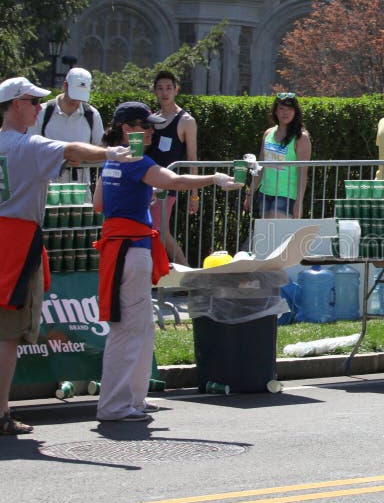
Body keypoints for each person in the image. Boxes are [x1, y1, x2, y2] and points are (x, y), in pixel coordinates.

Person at [0, 77, 139, 435]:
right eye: (33, 101)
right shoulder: (27, 144)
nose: (38, 108)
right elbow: (72, 150)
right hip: (15, 241)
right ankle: (0, 413)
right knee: (8, 334)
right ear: (16, 104)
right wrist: (109, 152)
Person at [92, 101, 240, 422]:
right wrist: (213, 178)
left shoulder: (112, 161)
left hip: (123, 249)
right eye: (145, 126)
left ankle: (134, 399)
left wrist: (140, 196)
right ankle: (115, 406)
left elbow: (99, 204)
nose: (150, 132)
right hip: (132, 250)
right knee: (128, 330)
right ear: (127, 128)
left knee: (140, 328)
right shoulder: (135, 161)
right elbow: (172, 181)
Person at [146, 71, 199, 265]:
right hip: (146, 185)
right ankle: (171, 276)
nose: (164, 93)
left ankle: (185, 275)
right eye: (160, 88)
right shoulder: (150, 118)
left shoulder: (186, 121)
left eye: (168, 88)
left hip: (167, 187)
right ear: (154, 91)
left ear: (176, 90)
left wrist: (194, 195)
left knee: (159, 231)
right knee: (153, 230)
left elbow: (192, 159)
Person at [28, 67, 105, 183]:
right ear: (65, 86)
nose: (76, 100)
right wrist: (58, 157)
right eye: (74, 94)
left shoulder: (92, 115)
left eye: (81, 96)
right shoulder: (42, 113)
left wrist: (83, 158)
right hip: (47, 184)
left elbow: (101, 150)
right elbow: (30, 148)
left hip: (79, 186)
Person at [244, 92, 311, 218]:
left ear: (296, 112)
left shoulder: (301, 138)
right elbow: (260, 166)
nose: (285, 112)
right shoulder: (268, 133)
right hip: (265, 193)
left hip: (286, 194)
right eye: (281, 108)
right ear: (275, 111)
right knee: (268, 234)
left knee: (276, 232)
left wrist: (299, 202)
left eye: (290, 109)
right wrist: (250, 193)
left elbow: (303, 173)